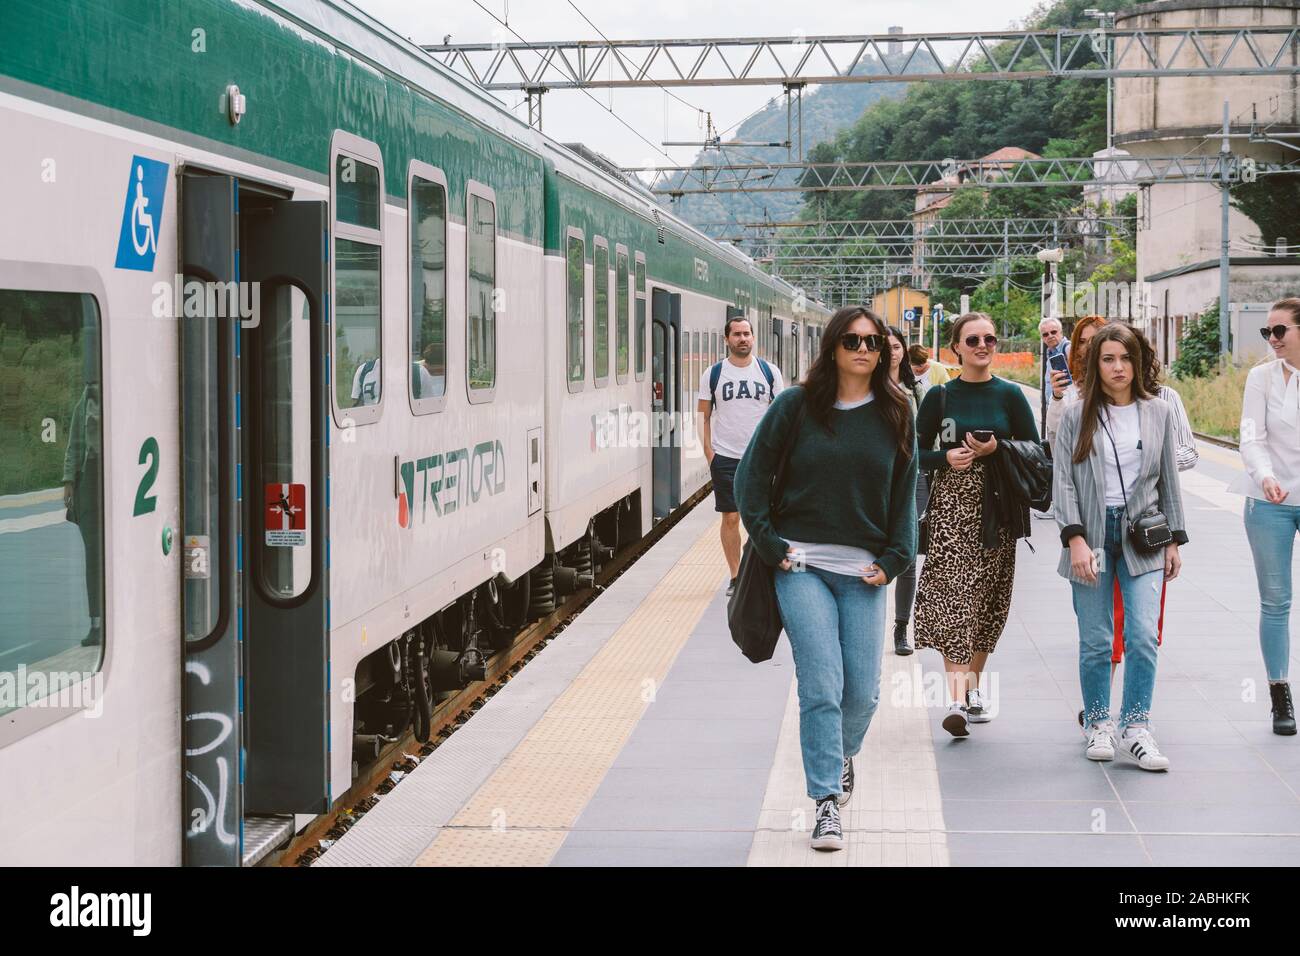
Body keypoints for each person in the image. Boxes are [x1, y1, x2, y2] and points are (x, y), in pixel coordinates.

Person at [735, 306, 918, 852]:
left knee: (861, 692)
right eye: (852, 340)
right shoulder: (796, 405)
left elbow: (905, 491)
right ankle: (825, 803)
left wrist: (895, 559)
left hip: (864, 572)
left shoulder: (897, 412)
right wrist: (771, 544)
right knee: (822, 684)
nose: (864, 349)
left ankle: (839, 756)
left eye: (873, 342)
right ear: (833, 347)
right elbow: (750, 476)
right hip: (803, 566)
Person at [1054, 323, 1187, 771]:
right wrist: (1074, 540)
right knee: (1096, 639)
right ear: (1096, 364)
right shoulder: (1077, 414)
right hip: (1090, 534)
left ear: (1138, 362)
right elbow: (1065, 483)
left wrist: (1175, 540)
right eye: (1108, 359)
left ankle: (1136, 725)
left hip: (1143, 536)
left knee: (1143, 635)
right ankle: (1097, 722)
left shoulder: (1158, 412)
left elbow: (1168, 478)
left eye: (1125, 358)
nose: (1117, 367)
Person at [913, 312, 1040, 736]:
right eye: (973, 340)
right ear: (956, 349)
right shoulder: (940, 396)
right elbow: (909, 452)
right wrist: (944, 458)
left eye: (989, 338)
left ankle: (972, 688)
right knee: (955, 599)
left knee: (988, 601)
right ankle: (954, 699)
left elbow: (1034, 450)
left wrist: (996, 449)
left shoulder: (1011, 395)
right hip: (952, 508)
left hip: (998, 509)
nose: (982, 346)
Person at [1232, 296, 1300, 735]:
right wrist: (1265, 475)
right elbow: (1250, 437)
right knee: (1275, 602)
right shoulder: (1262, 378)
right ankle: (1280, 695)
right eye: (1267, 332)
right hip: (1269, 503)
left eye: (1280, 331)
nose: (1272, 339)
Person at [698, 315, 784, 597]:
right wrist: (710, 453)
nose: (743, 338)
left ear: (753, 337)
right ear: (727, 339)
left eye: (747, 333)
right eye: (737, 334)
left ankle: (762, 571)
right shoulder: (713, 374)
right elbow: (703, 416)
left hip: (762, 458)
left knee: (765, 518)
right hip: (726, 457)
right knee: (731, 518)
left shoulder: (769, 372)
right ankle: (735, 576)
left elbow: (781, 414)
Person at [887, 326, 926, 656]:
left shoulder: (917, 391)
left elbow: (930, 438)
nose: (893, 351)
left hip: (912, 480)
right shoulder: (865, 389)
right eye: (886, 347)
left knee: (908, 556)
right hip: (876, 483)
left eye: (897, 346)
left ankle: (902, 627)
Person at [63, 380, 103, 648]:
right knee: (93, 554)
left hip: (117, 476)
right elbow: (75, 443)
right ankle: (97, 623)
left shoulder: (124, 390)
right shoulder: (85, 398)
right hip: (90, 478)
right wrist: (69, 480)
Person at [1046, 314, 1107, 444]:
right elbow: (1055, 427)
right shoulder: (1072, 385)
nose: (1087, 347)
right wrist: (1057, 396)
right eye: (1082, 342)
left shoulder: (1117, 381)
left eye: (1094, 340)